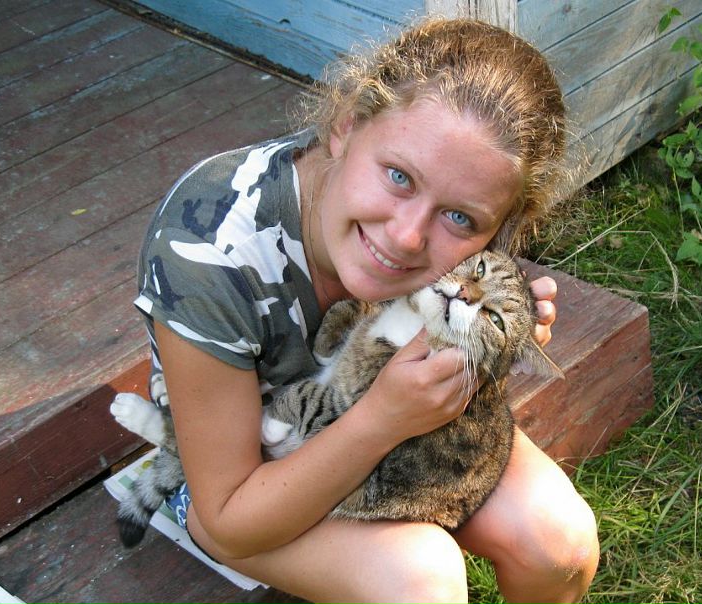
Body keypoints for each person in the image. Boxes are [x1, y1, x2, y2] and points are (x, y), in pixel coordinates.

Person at [133, 17, 599, 603]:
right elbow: (229, 518)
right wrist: (382, 419)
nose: (406, 236)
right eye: (399, 177)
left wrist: (501, 339)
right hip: (234, 477)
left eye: (460, 217)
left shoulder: (464, 243)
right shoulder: (206, 252)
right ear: (346, 125)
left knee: (560, 544)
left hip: (391, 435)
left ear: (500, 229)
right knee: (421, 580)